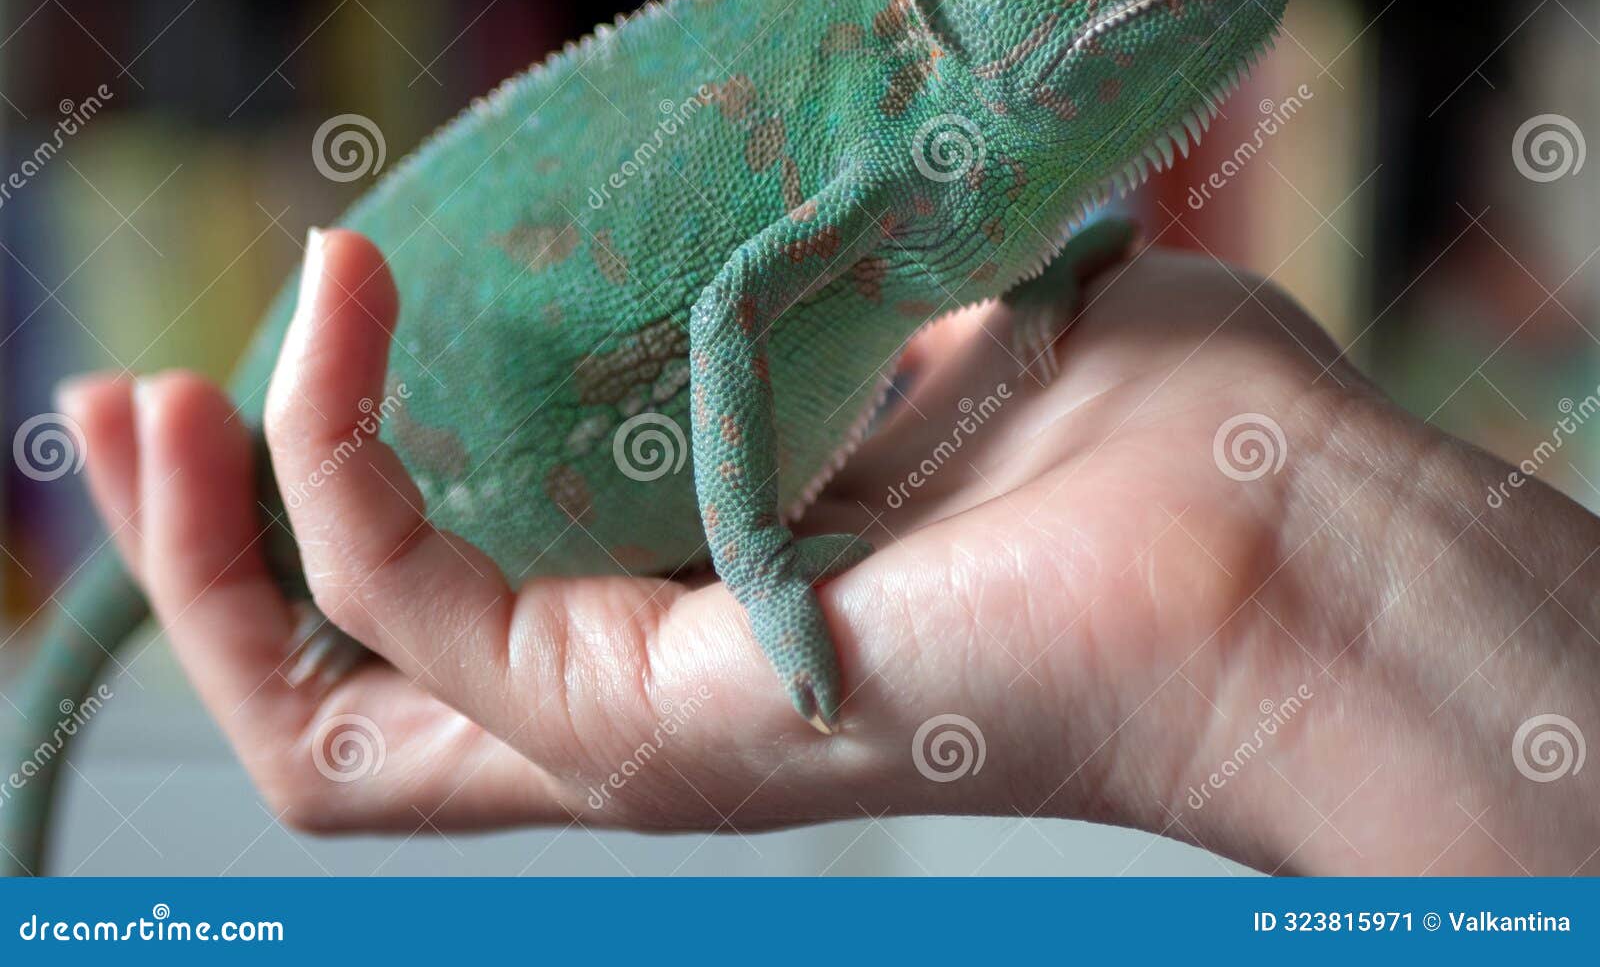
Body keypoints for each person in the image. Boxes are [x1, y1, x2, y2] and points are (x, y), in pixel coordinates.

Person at [57, 228, 1600, 874]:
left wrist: (1291, 533)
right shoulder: (891, 107)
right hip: (441, 429)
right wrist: (756, 562)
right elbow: (734, 307)